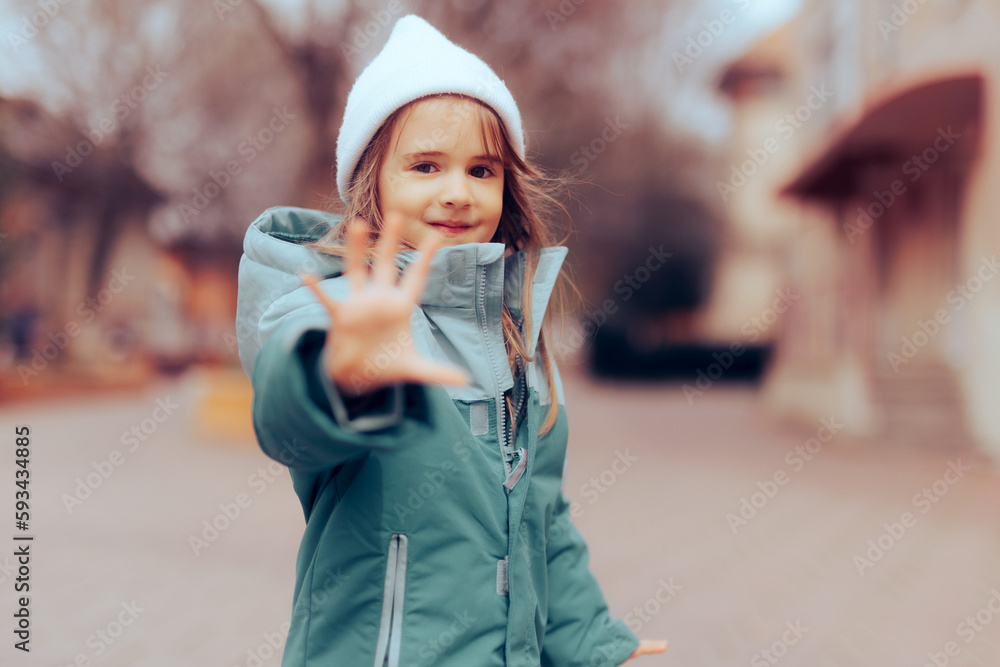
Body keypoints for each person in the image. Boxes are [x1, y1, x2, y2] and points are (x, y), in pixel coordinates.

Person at [236, 14, 668, 667]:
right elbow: (287, 421)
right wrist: (342, 374)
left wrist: (597, 646)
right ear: (372, 180)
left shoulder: (513, 334)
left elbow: (542, 524)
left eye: (482, 170)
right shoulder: (341, 305)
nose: (457, 192)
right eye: (426, 165)